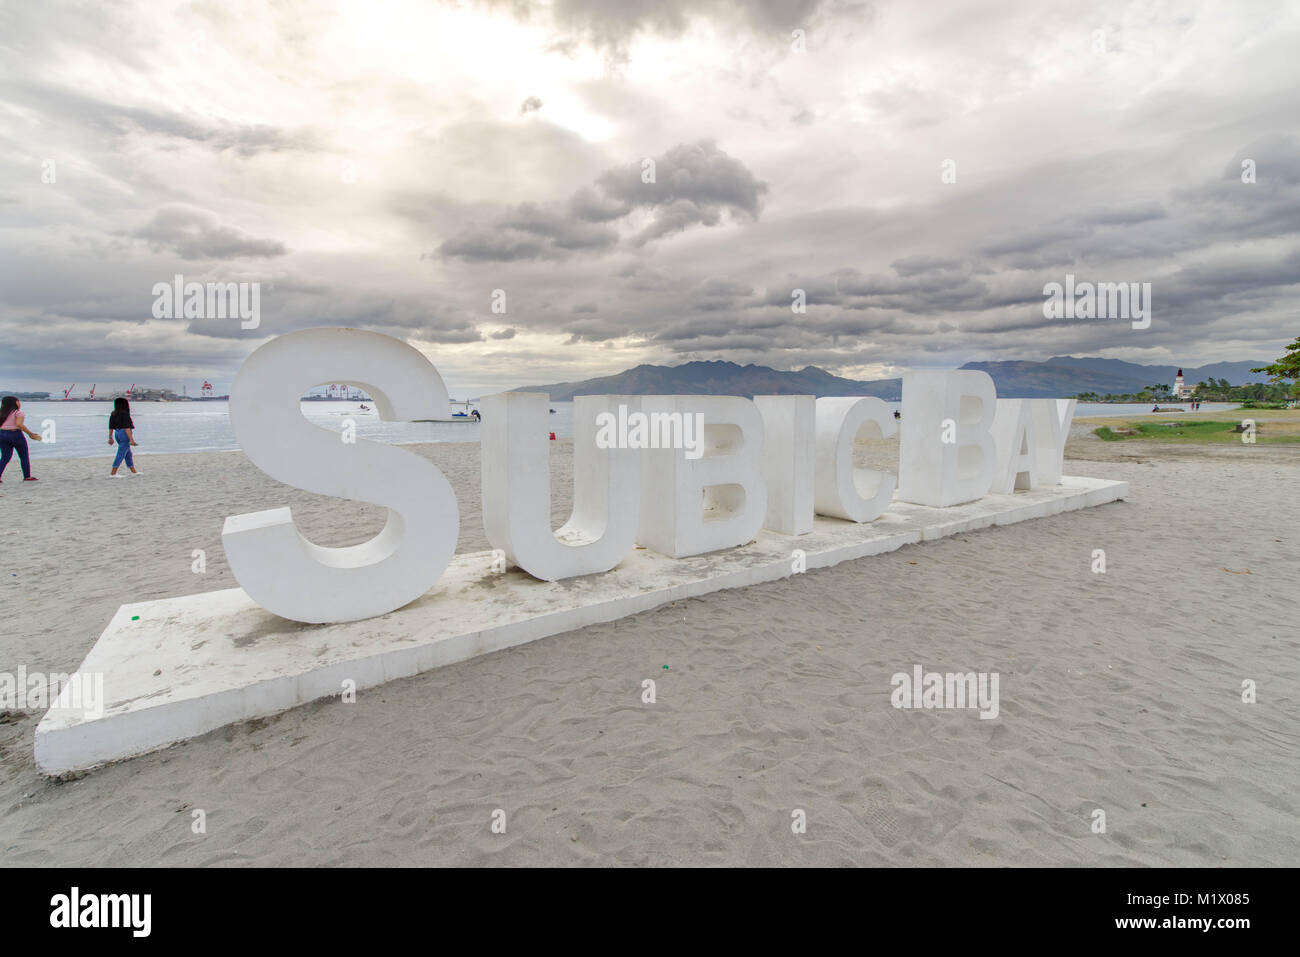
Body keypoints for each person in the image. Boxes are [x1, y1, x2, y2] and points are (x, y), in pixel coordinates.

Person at [0, 395, 42, 482]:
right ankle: (27, 476)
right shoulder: (18, 412)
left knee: (5, 457)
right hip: (16, 434)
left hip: (2, 434)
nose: (19, 403)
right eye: (18, 401)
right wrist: (30, 434)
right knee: (24, 456)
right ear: (15, 403)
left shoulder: (1, 413)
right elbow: (19, 424)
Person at [109, 396, 140, 475]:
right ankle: (113, 473)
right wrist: (131, 439)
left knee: (128, 453)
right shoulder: (125, 414)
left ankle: (134, 472)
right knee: (121, 453)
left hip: (117, 434)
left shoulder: (113, 413)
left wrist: (110, 438)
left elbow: (111, 427)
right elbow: (127, 427)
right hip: (124, 434)